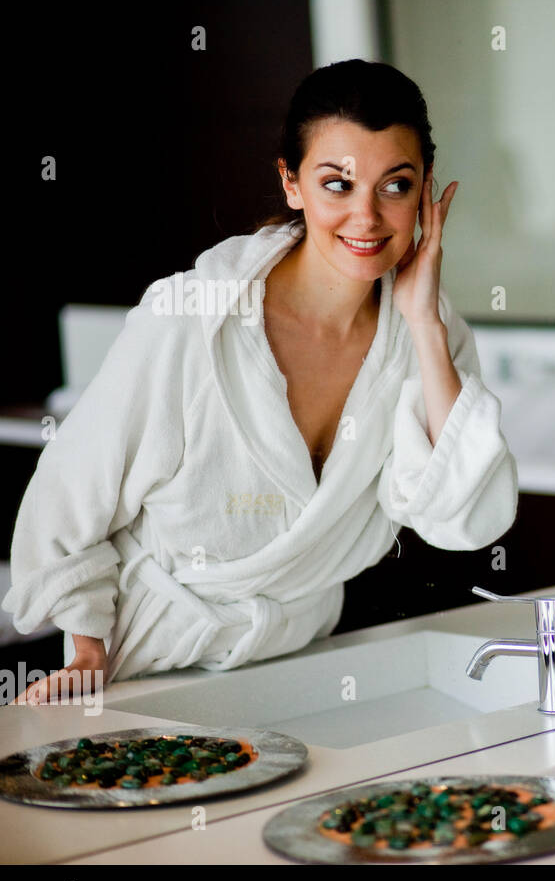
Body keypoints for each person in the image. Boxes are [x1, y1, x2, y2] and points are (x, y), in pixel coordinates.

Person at [3, 60, 517, 699]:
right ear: (291, 183)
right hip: (152, 662)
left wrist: (424, 324)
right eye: (337, 184)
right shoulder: (192, 318)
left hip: (304, 663)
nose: (367, 216)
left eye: (395, 185)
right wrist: (85, 651)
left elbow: (462, 516)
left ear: (425, 191)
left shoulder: (423, 334)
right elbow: (68, 494)